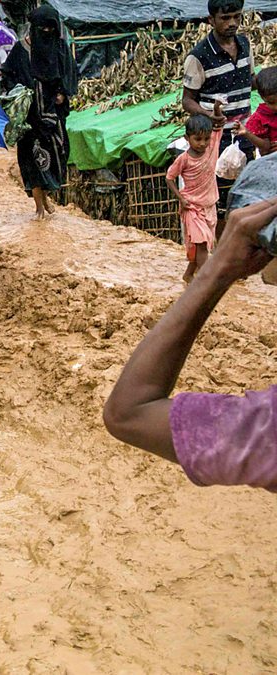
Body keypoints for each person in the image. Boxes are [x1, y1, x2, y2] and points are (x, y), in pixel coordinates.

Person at [102, 169, 277, 488]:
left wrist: (220, 269)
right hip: (194, 211)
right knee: (195, 250)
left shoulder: (269, 428)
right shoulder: (183, 161)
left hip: (204, 212)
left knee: (201, 252)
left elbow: (127, 413)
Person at [182, 0, 253, 236]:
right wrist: (210, 116)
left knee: (248, 196)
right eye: (225, 18)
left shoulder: (244, 45)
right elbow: (187, 100)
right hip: (215, 139)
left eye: (236, 16)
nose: (232, 23)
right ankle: (219, 254)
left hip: (245, 134)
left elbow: (249, 80)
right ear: (211, 20)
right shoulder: (199, 56)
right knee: (219, 200)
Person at [2, 7, 77, 221]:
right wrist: (18, 91)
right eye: (42, 28)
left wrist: (62, 93)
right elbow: (7, 74)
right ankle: (38, 207)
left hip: (53, 117)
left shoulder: (59, 48)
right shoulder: (21, 50)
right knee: (31, 160)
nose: (46, 31)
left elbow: (70, 74)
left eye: (50, 28)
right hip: (29, 118)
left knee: (55, 156)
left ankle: (45, 196)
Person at [166, 109, 224, 283]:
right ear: (187, 138)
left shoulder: (212, 149)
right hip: (191, 206)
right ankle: (206, 282)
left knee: (204, 244)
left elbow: (219, 123)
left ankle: (189, 274)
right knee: (201, 244)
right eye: (197, 139)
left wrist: (216, 110)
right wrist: (181, 199)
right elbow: (169, 178)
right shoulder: (183, 159)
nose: (202, 143)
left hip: (209, 205)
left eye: (206, 139)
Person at [240, 67, 277, 157]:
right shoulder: (260, 118)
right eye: (271, 103)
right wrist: (247, 134)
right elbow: (264, 147)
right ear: (262, 97)